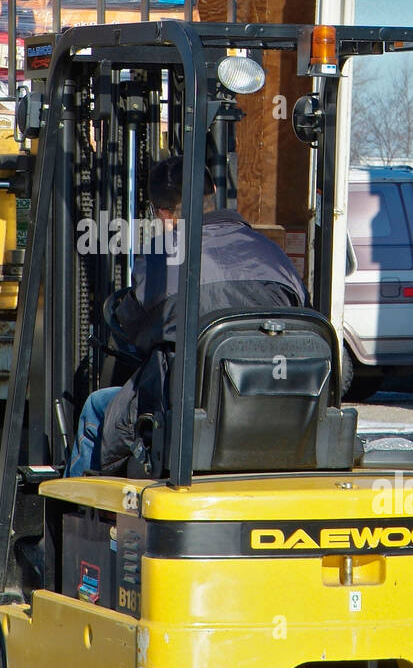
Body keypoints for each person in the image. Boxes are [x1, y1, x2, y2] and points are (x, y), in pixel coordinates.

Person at [65, 155, 308, 476]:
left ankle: (75, 518)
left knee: (98, 407)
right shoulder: (273, 254)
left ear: (164, 215)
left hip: (196, 409)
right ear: (211, 196)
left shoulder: (162, 256)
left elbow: (137, 333)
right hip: (281, 405)